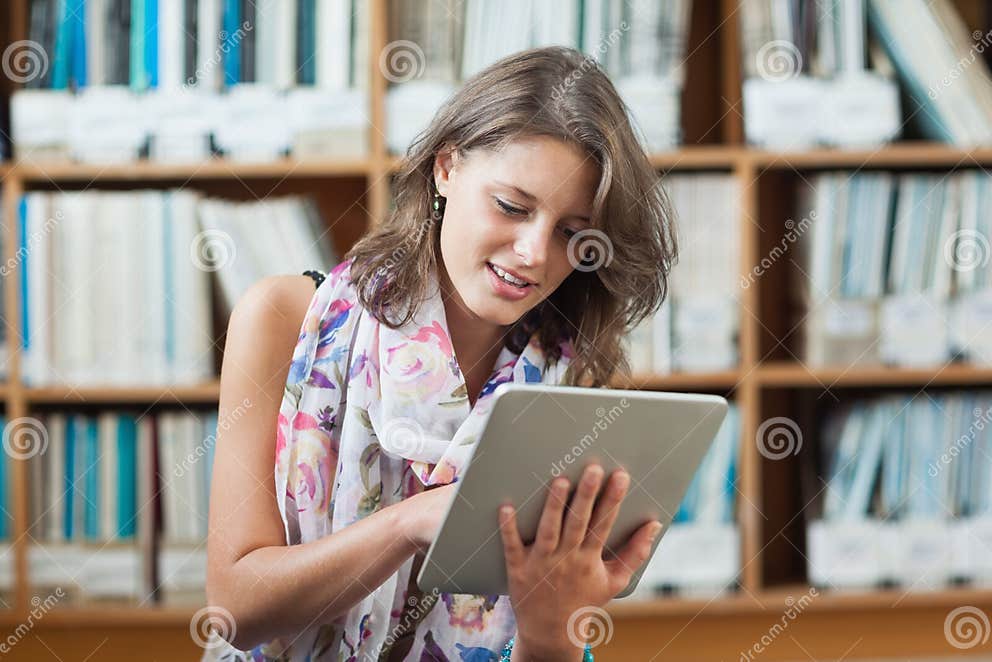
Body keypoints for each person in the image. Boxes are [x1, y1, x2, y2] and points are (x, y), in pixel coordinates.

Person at [204, 45, 676, 661]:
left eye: (570, 231)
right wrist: (409, 523)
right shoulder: (284, 319)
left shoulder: (577, 378)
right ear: (446, 168)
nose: (535, 252)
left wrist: (551, 631)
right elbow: (235, 610)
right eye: (512, 207)